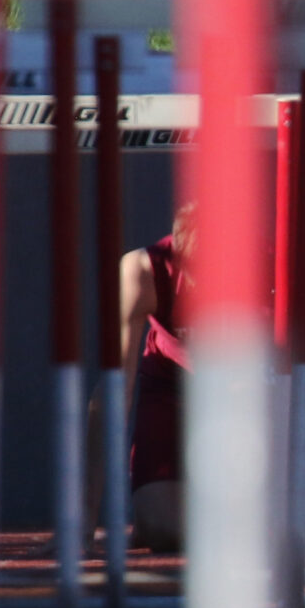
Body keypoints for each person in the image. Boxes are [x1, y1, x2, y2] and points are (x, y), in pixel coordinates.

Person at [117, 202, 197, 552]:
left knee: (272, 531)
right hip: (170, 391)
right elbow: (115, 393)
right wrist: (82, 523)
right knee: (164, 532)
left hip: (248, 396)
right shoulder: (146, 269)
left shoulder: (276, 266)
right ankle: (162, 508)